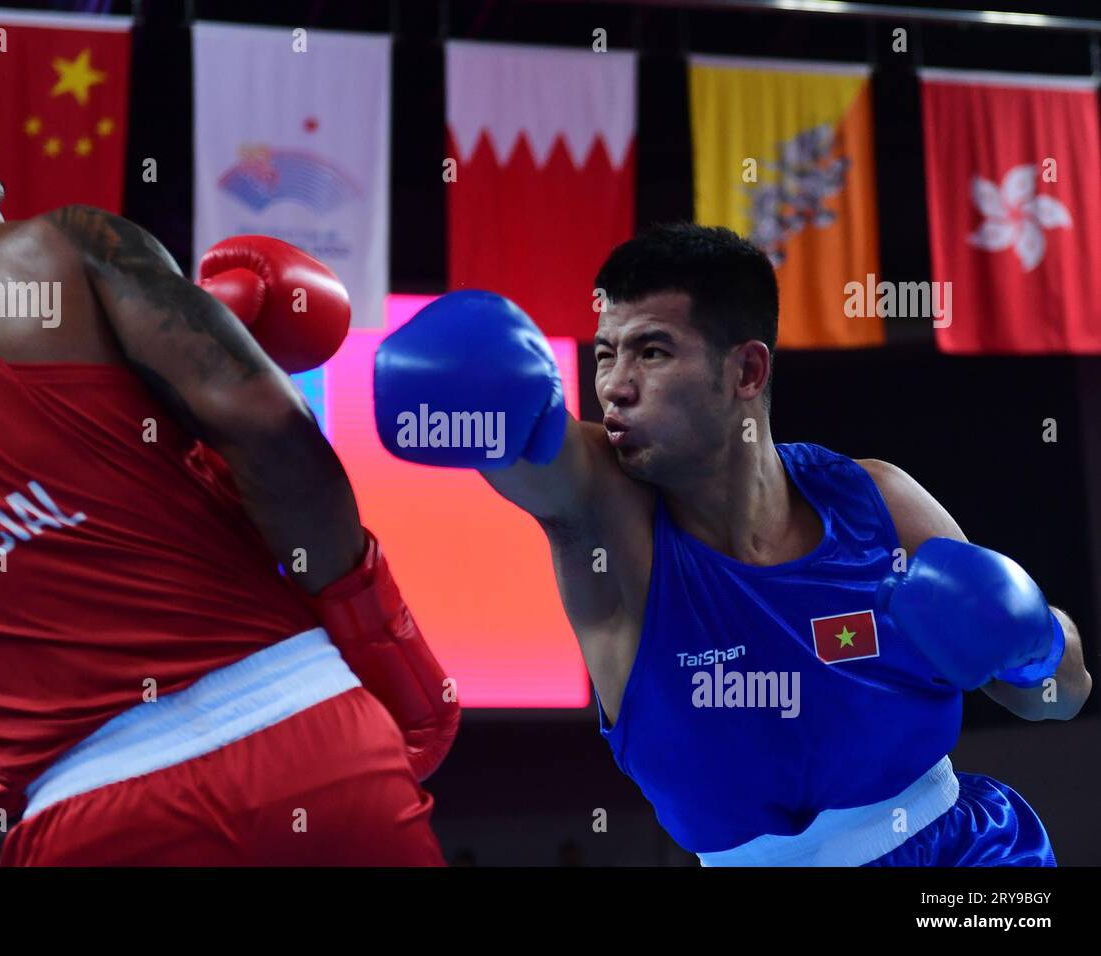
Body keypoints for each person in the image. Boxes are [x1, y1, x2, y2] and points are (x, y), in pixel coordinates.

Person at [0, 62, 457, 866]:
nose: (1, 213)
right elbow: (270, 426)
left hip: (79, 816)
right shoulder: (53, 250)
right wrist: (370, 629)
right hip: (301, 735)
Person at [373, 222, 1092, 866]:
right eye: (603, 355)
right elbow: (538, 458)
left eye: (651, 352)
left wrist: (1035, 643)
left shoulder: (878, 505)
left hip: (969, 862)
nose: (614, 387)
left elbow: (1061, 698)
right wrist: (479, 408)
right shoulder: (607, 516)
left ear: (747, 371)